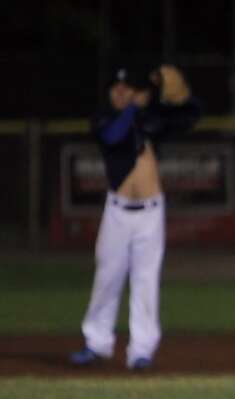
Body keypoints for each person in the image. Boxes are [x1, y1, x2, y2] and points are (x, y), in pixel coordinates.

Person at [70, 64, 202, 370]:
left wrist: (183, 98)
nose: (120, 92)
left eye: (125, 88)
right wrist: (133, 107)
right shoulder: (104, 119)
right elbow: (114, 137)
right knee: (107, 278)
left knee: (145, 281)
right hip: (116, 212)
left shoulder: (150, 120)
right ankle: (96, 343)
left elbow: (190, 118)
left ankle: (141, 351)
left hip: (150, 214)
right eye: (115, 88)